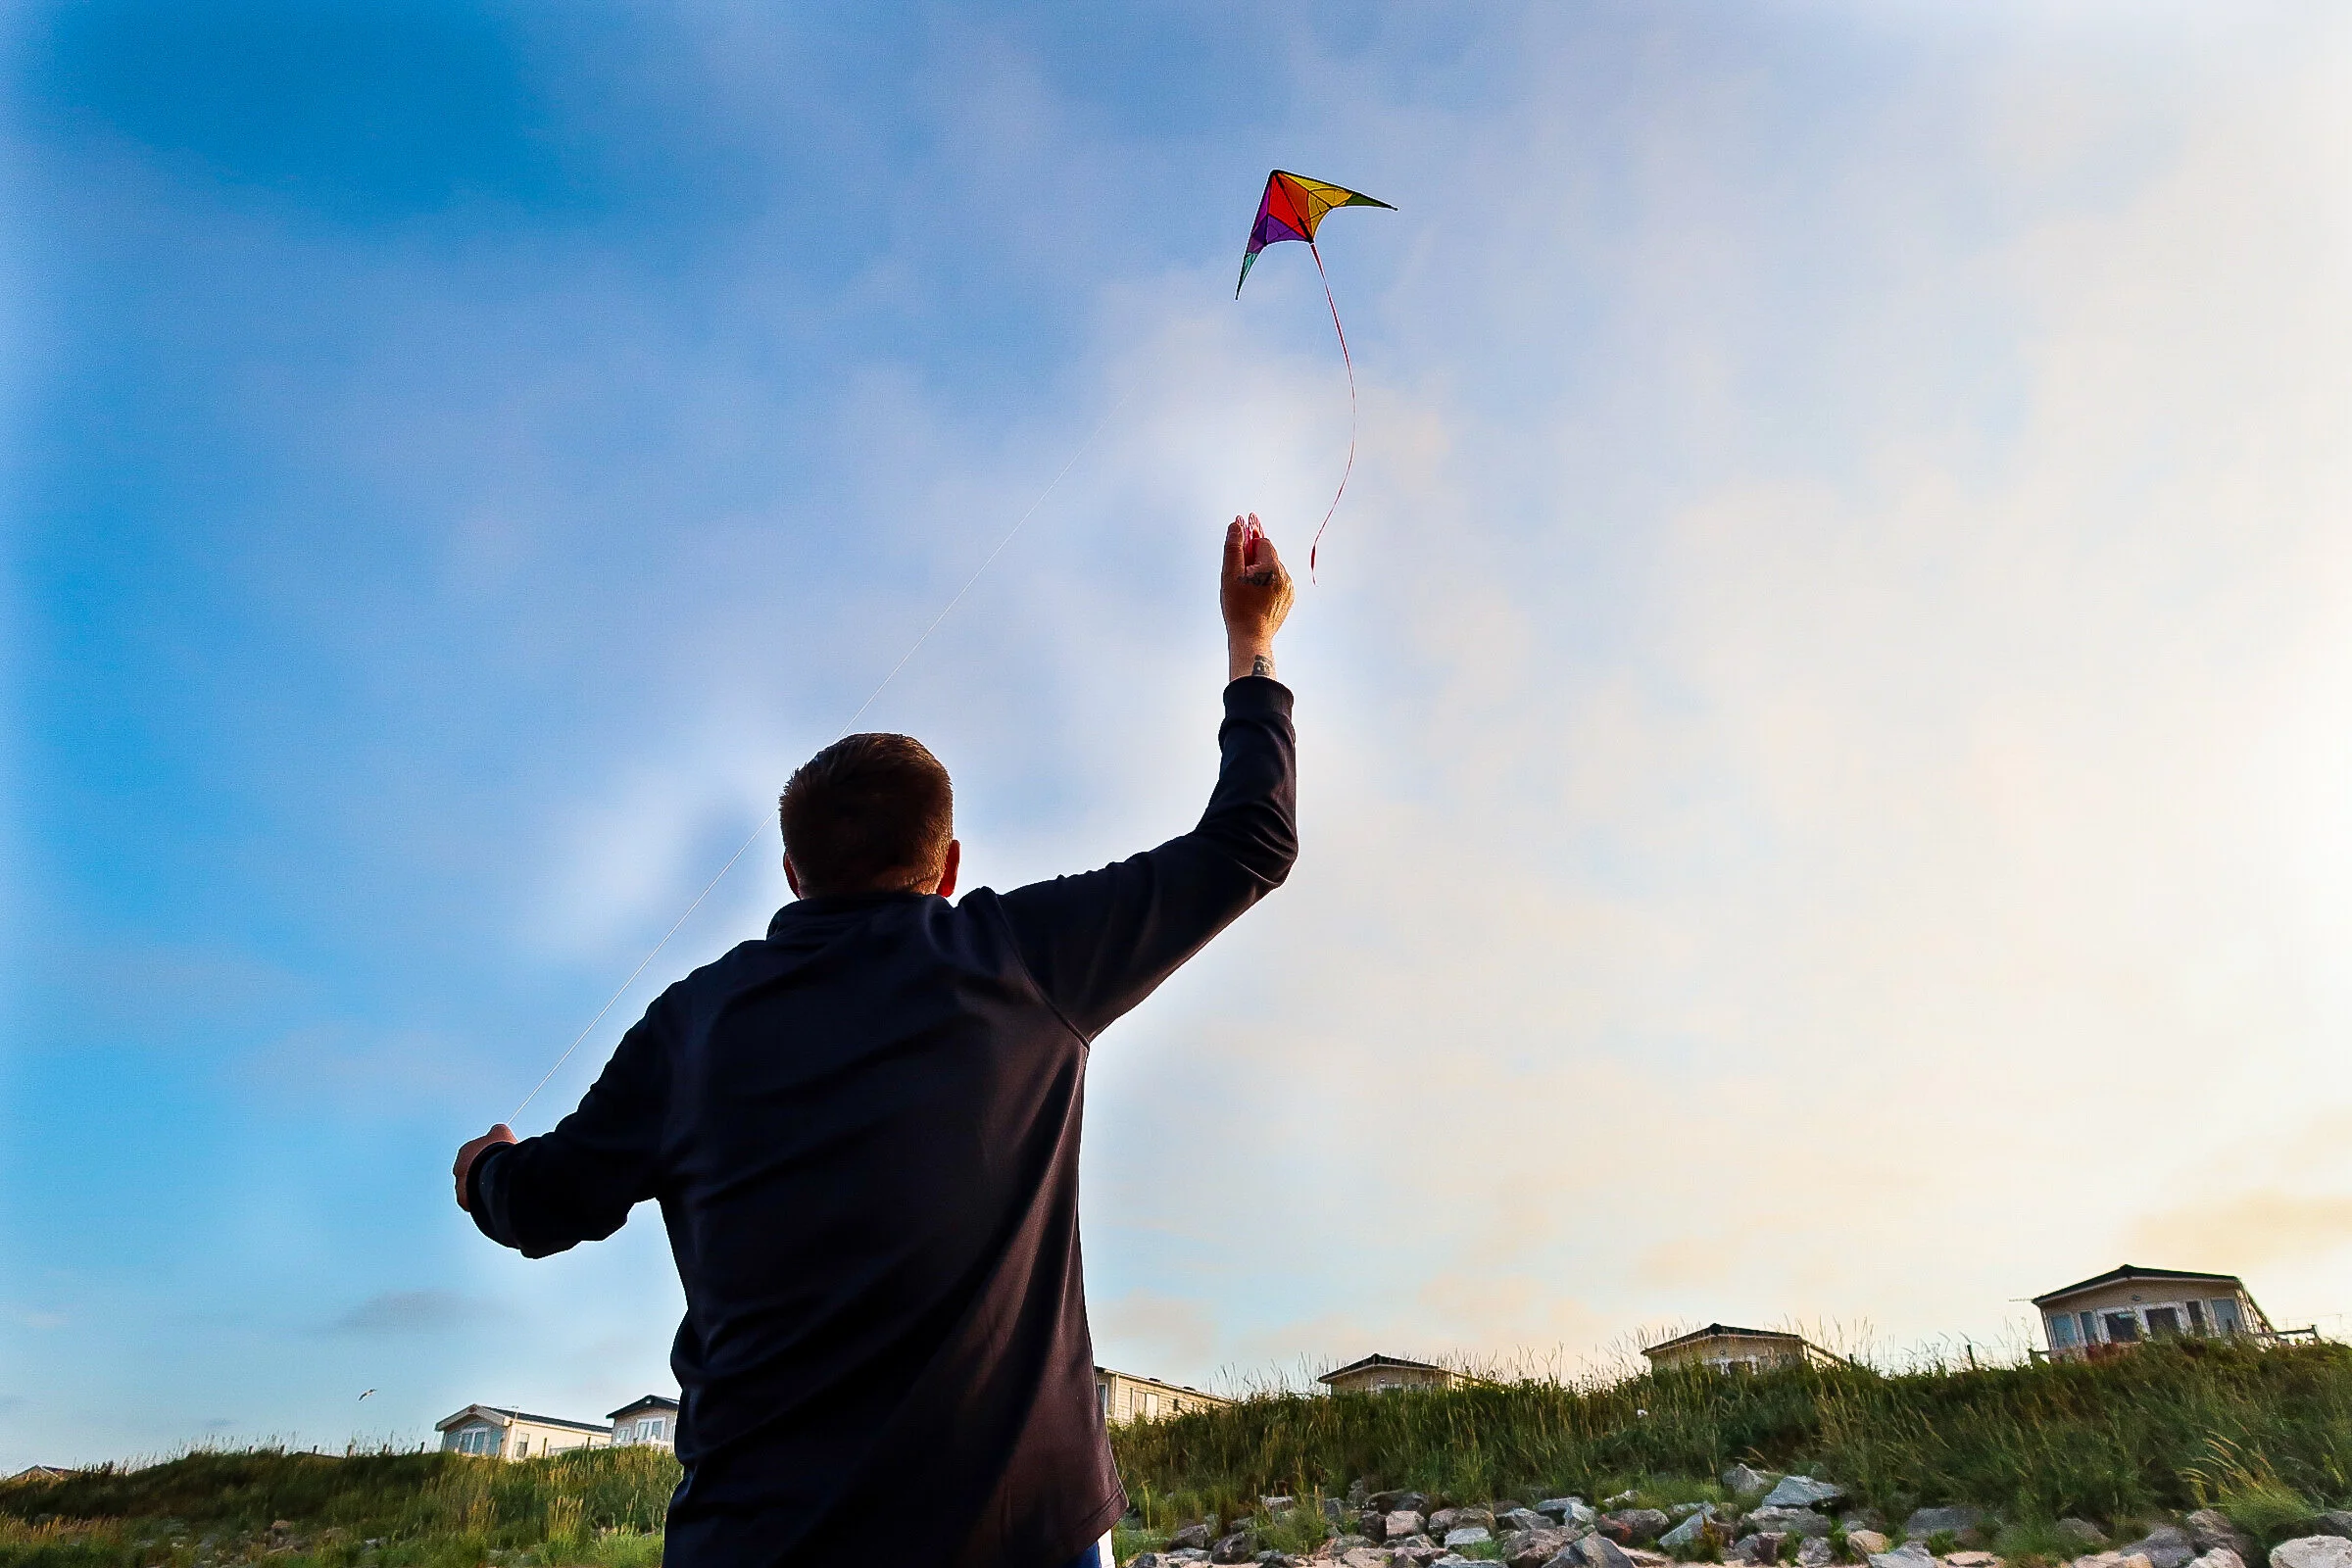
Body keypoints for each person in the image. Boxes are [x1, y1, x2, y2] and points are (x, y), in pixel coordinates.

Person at [451, 515, 1298, 1568]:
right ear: (947, 866)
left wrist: (483, 1168)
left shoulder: (691, 1025)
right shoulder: (1022, 957)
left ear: (795, 875)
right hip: (1020, 1534)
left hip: (757, 1541)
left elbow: (541, 1206)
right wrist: (1251, 641)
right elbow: (1251, 840)